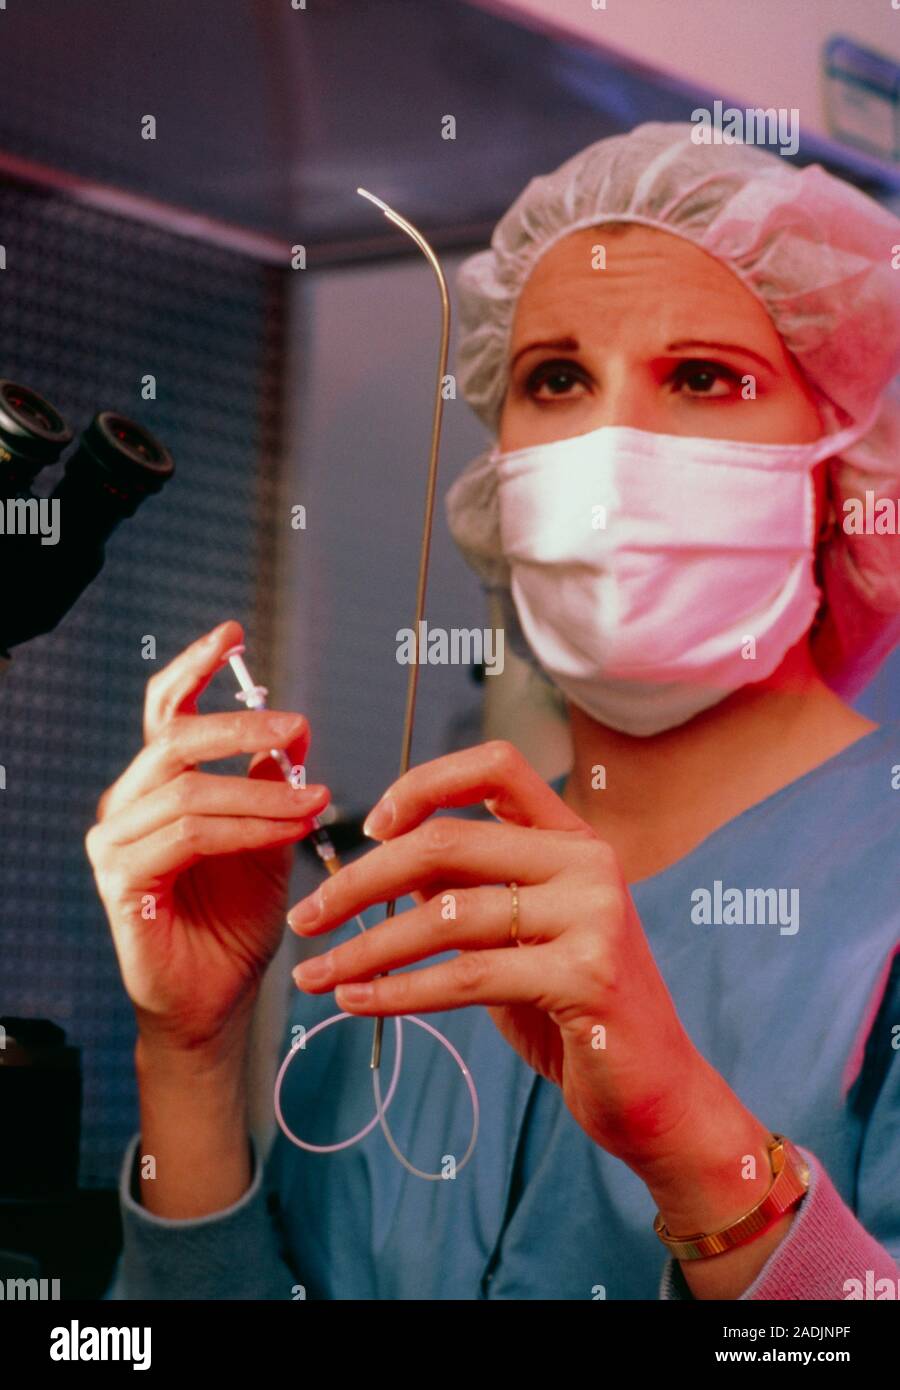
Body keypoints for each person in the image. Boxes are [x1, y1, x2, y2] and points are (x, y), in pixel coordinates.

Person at [89, 123, 900, 1301]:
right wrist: (192, 1056)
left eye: (707, 377)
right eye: (558, 379)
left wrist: (693, 1149)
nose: (613, 451)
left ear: (841, 474)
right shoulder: (424, 896)